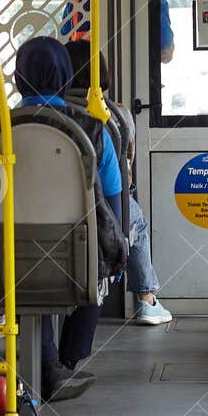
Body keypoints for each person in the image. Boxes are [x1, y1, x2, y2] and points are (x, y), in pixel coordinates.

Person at [15, 37, 127, 401]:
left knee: (29, 261)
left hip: (6, 252)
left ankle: (48, 365)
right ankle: (68, 359)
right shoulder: (93, 128)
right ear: (65, 77)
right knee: (98, 253)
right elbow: (113, 194)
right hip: (76, 251)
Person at [67, 40, 171, 325]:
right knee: (136, 219)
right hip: (100, 212)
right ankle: (146, 299)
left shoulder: (38, 117)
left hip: (46, 214)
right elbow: (125, 173)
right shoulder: (117, 116)